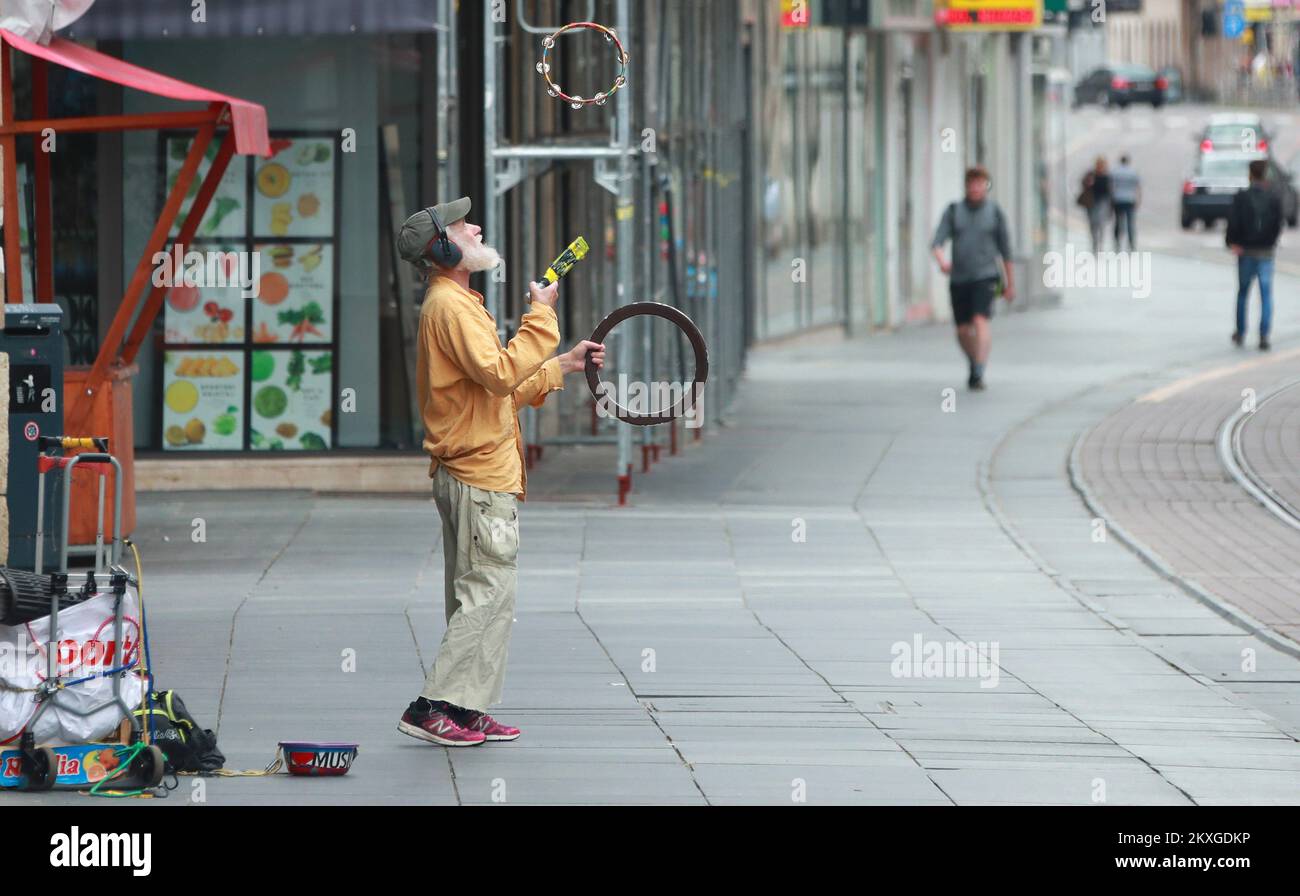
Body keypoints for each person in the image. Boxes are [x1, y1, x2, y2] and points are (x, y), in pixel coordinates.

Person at [394, 198, 606, 746]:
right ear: (443, 247)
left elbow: (500, 390)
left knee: (487, 594)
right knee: (487, 591)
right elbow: (499, 375)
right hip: (477, 475)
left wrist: (562, 365)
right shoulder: (449, 307)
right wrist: (542, 314)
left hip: (482, 471)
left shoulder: (459, 303)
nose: (477, 227)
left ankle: (466, 705)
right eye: (465, 225)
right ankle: (431, 705)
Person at [931, 166, 1015, 392]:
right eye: (972, 183)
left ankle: (979, 367)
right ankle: (973, 360)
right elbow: (937, 242)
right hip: (959, 278)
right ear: (966, 186)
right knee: (962, 331)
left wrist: (1009, 285)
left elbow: (1006, 252)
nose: (976, 188)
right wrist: (942, 261)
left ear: (986, 186)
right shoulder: (953, 211)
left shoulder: (995, 212)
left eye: (980, 183)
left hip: (986, 277)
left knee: (980, 321)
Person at [1226, 159, 1283, 351]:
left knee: (1243, 293)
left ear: (1250, 174)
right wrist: (1271, 242)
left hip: (1246, 250)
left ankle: (1241, 331)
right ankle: (1264, 334)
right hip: (1266, 251)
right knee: (1266, 294)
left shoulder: (1242, 197)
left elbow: (1233, 221)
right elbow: (1278, 224)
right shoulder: (1273, 197)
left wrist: (1232, 242)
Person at [1078, 157, 1111, 253]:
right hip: (1091, 202)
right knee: (1093, 223)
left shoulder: (1107, 175)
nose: (1101, 166)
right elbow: (1083, 183)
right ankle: (1094, 243)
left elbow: (1110, 191)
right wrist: (1088, 183)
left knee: (1100, 223)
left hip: (1103, 202)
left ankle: (1100, 244)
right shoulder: (1091, 174)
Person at [1110, 155, 1141, 251]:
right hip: (1130, 199)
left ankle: (1117, 243)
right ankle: (1131, 244)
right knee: (1130, 223)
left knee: (1118, 222)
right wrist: (1138, 199)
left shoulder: (1115, 172)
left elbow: (1111, 187)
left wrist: (1111, 200)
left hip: (1118, 199)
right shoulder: (1133, 172)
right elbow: (1138, 187)